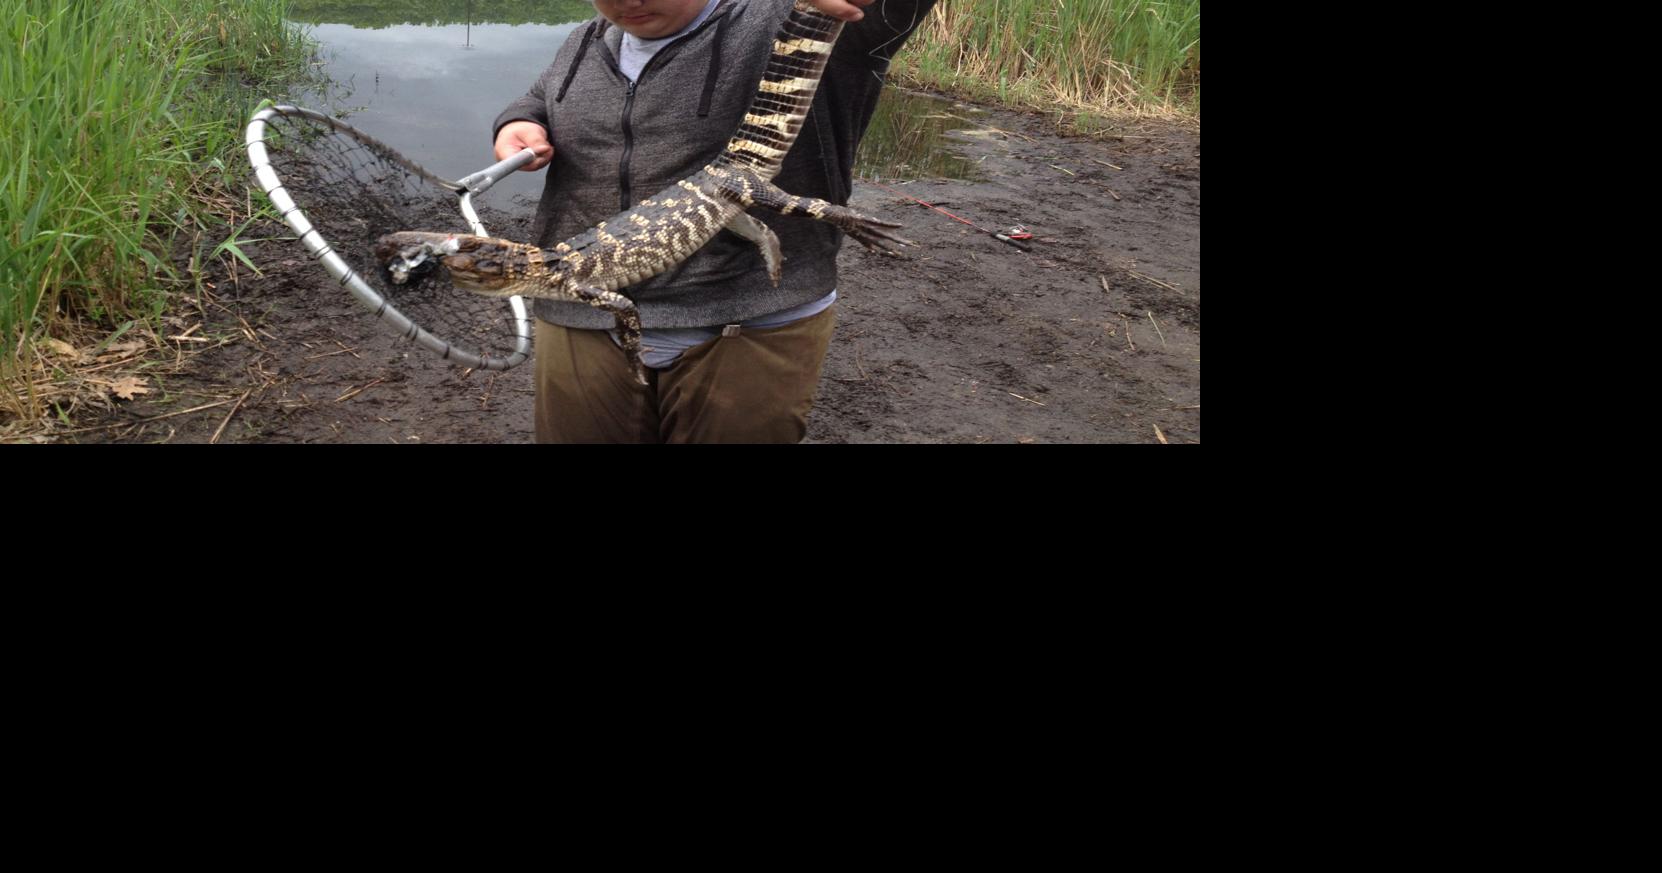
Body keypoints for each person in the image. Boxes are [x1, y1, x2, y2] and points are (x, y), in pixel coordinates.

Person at [493, 0, 935, 443]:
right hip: (583, 316)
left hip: (746, 323)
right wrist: (518, 120)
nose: (630, 1)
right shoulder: (587, 39)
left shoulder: (788, 13)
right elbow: (541, 95)